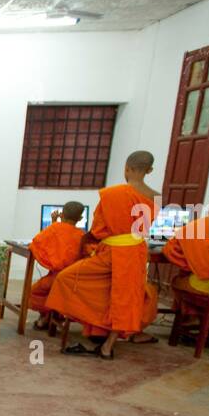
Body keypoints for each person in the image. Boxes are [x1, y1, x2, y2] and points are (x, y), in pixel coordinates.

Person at [45, 151, 161, 359]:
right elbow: (145, 227)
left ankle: (96, 328)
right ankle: (107, 344)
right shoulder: (156, 197)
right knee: (125, 298)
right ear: (150, 170)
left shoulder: (112, 194)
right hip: (135, 254)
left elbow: (98, 228)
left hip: (111, 252)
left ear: (126, 167)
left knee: (66, 278)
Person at [28, 202, 86, 328]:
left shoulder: (54, 229)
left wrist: (54, 223)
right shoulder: (82, 236)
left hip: (56, 278)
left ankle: (45, 316)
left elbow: (37, 244)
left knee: (34, 291)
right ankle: (54, 316)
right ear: (80, 219)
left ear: (62, 214)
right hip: (73, 280)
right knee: (58, 292)